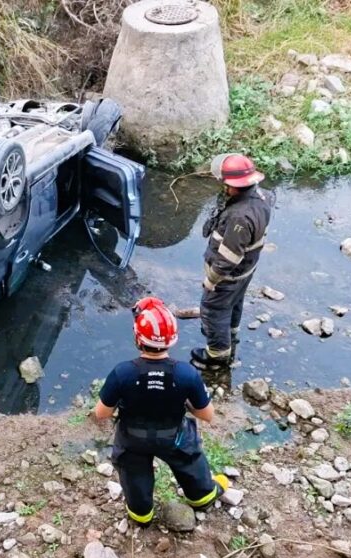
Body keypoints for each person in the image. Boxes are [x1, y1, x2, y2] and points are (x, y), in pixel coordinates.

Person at [93, 297, 229, 525]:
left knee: (134, 472)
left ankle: (141, 514)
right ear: (172, 340)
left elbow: (101, 414)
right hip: (173, 437)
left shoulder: (122, 373)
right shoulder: (186, 374)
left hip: (133, 440)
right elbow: (207, 415)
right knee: (189, 460)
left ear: (138, 337)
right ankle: (202, 495)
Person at [191, 153, 275, 371]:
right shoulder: (262, 198)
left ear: (233, 185)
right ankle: (230, 332)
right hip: (247, 271)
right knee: (235, 301)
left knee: (213, 308)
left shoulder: (239, 217)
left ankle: (217, 355)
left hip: (229, 275)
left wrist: (212, 280)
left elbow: (229, 257)